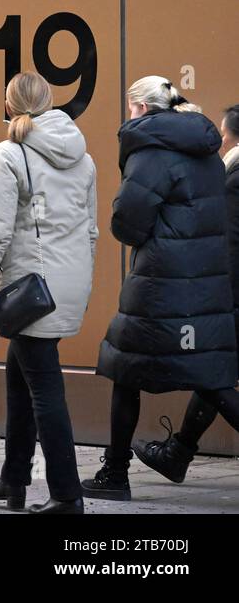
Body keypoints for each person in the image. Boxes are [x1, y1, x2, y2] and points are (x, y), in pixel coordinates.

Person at [83, 77, 239, 500]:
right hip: (204, 280)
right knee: (211, 375)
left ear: (140, 106)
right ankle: (119, 471)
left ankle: (115, 475)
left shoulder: (150, 151)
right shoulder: (206, 149)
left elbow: (128, 223)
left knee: (125, 367)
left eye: (130, 106)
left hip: (160, 281)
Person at [0, 72, 97, 514]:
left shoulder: (8, 154)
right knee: (20, 377)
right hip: (68, 284)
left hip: (30, 289)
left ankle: (66, 495)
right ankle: (14, 480)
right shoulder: (85, 158)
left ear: (9, 107)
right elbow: (91, 232)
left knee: (44, 391)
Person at [132, 102, 239, 483]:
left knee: (212, 375)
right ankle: (178, 452)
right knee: (214, 374)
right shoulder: (223, 172)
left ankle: (177, 452)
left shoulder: (233, 176)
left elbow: (227, 244)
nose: (221, 142)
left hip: (227, 295)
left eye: (225, 135)